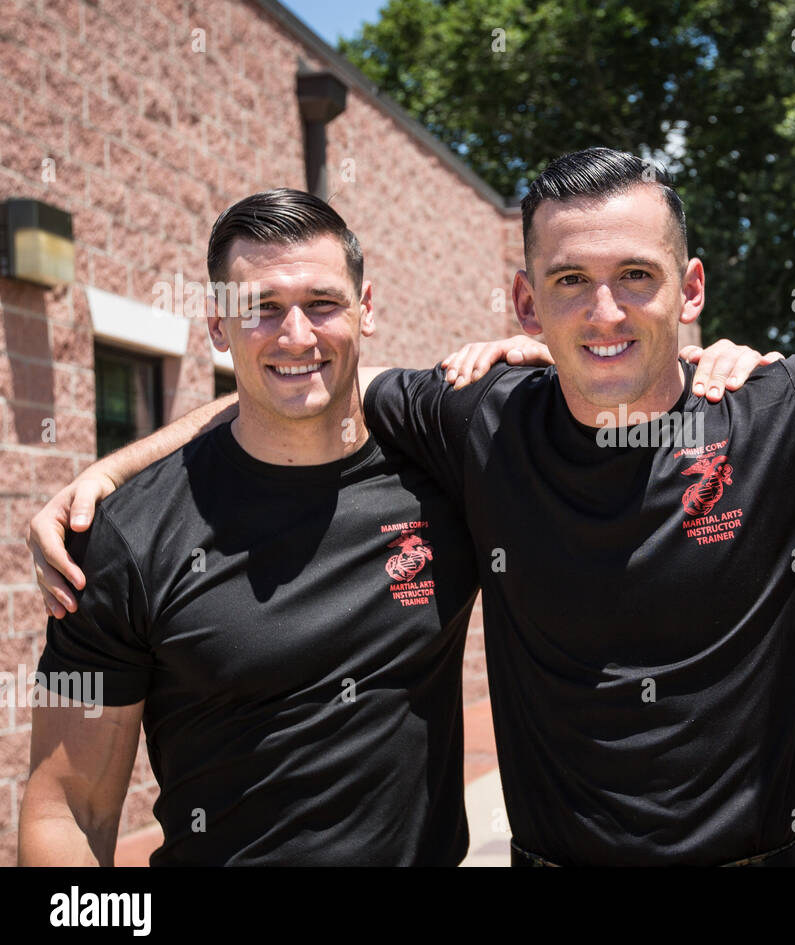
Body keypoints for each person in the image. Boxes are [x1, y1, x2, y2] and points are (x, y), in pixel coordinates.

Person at [28, 150, 795, 866]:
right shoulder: (467, 424)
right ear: (522, 306)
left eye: (635, 277)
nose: (603, 312)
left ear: (688, 285)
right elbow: (299, 407)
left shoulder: (791, 408)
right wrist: (125, 469)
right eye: (567, 283)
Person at [18, 188, 548, 865]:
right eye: (261, 309)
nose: (296, 335)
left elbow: (620, 392)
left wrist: (717, 374)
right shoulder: (124, 536)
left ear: (367, 309)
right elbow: (67, 810)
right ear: (217, 327)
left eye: (323, 304)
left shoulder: (445, 478)